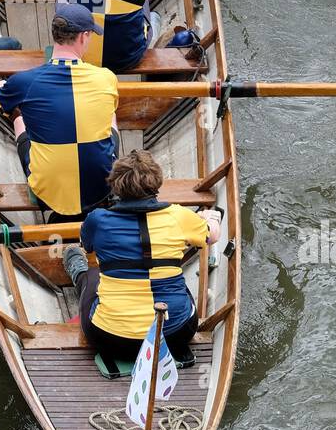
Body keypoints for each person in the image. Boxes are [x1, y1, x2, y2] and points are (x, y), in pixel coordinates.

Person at [63, 149, 222, 362]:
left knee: (93, 275)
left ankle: (80, 273)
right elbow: (212, 236)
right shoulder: (179, 215)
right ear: (156, 182)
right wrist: (211, 217)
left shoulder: (97, 220)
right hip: (175, 336)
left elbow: (88, 246)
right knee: (178, 283)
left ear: (115, 185)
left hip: (111, 339)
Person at [0, 4, 119, 220]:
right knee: (110, 116)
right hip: (101, 188)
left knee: (19, 118)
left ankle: (18, 118)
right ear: (83, 37)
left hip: (47, 194)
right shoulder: (106, 77)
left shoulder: (24, 81)